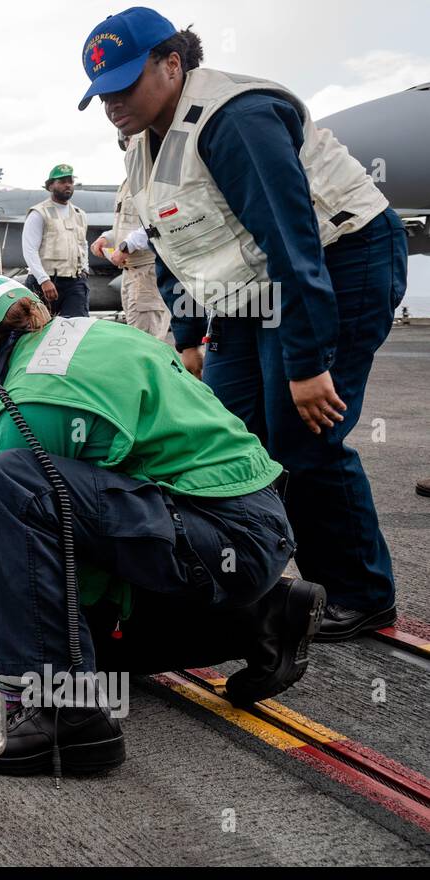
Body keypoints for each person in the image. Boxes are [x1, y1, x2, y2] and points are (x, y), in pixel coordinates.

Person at [0, 273, 325, 776]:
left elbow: (11, 523)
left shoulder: (34, 400)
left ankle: (62, 717)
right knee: (94, 645)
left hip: (220, 533)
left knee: (14, 483)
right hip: (239, 521)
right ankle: (263, 620)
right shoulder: (85, 335)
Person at [80, 8, 406, 641]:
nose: (112, 103)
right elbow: (173, 242)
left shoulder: (237, 120)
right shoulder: (144, 145)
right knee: (227, 435)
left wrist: (308, 364)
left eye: (124, 84)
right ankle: (247, 571)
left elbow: (293, 243)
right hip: (253, 291)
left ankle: (361, 592)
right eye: (102, 92)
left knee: (303, 438)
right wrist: (187, 337)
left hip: (340, 263)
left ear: (172, 64)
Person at [90, 133, 169, 337]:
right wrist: (107, 238)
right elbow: (128, 224)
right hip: (131, 273)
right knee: (137, 336)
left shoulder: (154, 177)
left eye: (133, 139)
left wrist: (126, 246)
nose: (130, 144)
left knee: (147, 341)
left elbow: (160, 221)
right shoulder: (128, 182)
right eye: (126, 140)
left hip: (147, 272)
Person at [23, 164, 91, 316]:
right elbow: (29, 250)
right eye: (62, 181)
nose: (67, 184)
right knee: (37, 329)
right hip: (45, 283)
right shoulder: (39, 213)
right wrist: (43, 280)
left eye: (70, 181)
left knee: (76, 328)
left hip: (75, 284)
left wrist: (84, 270)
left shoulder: (80, 214)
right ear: (50, 185)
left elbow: (83, 244)